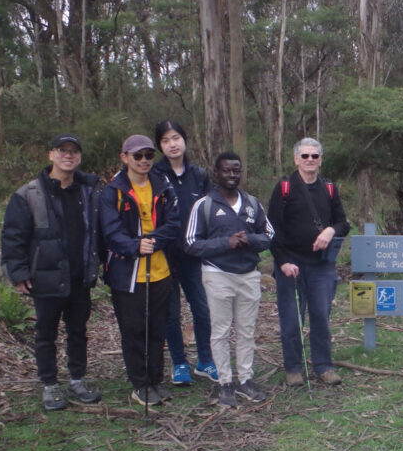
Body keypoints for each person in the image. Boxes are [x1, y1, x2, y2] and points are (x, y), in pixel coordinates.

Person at [1, 134, 103, 411]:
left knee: (78, 331)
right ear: (51, 155)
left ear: (79, 157)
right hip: (45, 276)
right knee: (46, 333)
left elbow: (98, 231)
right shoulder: (29, 194)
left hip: (80, 276)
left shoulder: (89, 191)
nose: (68, 155)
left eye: (74, 151)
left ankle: (78, 379)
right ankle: (49, 384)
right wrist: (18, 272)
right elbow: (13, 236)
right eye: (62, 150)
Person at [184, 152, 274, 408]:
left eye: (236, 170)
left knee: (246, 330)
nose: (232, 175)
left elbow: (269, 235)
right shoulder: (204, 205)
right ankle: (225, 382)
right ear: (216, 173)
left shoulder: (252, 204)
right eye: (226, 170)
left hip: (249, 275)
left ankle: (245, 379)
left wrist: (249, 239)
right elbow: (190, 243)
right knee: (221, 331)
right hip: (217, 274)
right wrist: (227, 243)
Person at [100, 134, 180, 407]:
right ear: (124, 157)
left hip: (161, 270)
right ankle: (140, 383)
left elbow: (173, 223)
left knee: (157, 328)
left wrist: (153, 241)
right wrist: (135, 246)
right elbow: (110, 232)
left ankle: (155, 380)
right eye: (137, 156)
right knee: (134, 330)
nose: (144, 160)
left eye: (148, 155)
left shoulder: (163, 185)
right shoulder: (113, 191)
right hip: (128, 273)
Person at [268, 138, 350, 387]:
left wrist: (330, 231)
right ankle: (293, 368)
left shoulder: (329, 188)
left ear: (320, 160)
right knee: (292, 318)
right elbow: (272, 229)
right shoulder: (284, 188)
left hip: (321, 265)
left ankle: (324, 366)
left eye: (315, 156)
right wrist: (282, 261)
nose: (310, 160)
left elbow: (343, 222)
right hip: (291, 264)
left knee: (321, 317)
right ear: (296, 159)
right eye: (305, 156)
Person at [153, 120, 218, 386]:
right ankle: (179, 363)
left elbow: (210, 211)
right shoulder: (154, 174)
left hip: (193, 255)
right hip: (165, 255)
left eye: (176, 138)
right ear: (160, 145)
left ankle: (205, 360)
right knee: (171, 313)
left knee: (202, 309)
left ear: (185, 140)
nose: (172, 144)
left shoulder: (199, 175)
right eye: (166, 140)